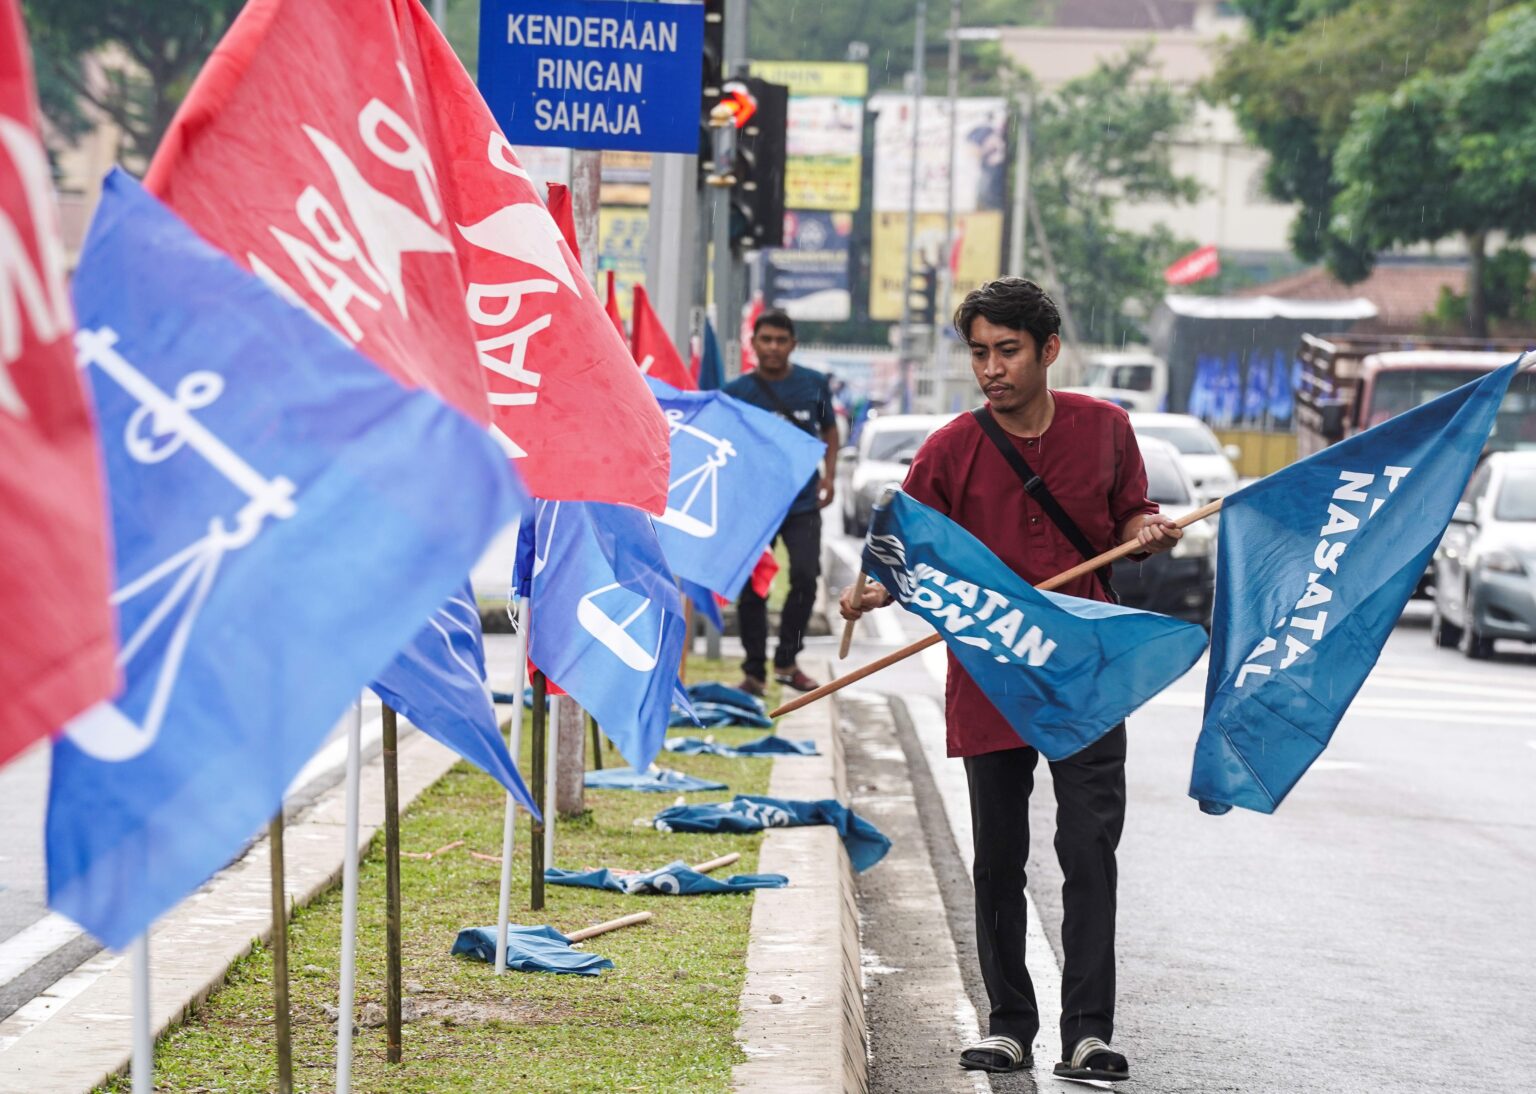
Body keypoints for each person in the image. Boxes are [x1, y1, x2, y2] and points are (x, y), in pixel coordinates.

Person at [838, 278, 1181, 1083]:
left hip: (1084, 676)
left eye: (1007, 351)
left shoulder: (1106, 428)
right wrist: (872, 588)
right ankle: (1009, 1026)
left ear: (1047, 349)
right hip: (990, 676)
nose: (991, 369)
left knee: (1088, 850)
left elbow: (1131, 512)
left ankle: (1090, 1032)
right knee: (997, 857)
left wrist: (1147, 532)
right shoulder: (952, 447)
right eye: (980, 354)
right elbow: (901, 548)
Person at [723, 309, 840, 695]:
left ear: (792, 344)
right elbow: (724, 446)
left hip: (803, 502)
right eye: (765, 339)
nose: (773, 347)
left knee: (806, 577)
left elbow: (829, 430)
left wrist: (830, 475)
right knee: (753, 587)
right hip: (756, 506)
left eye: (780, 340)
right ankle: (754, 671)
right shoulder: (737, 393)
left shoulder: (813, 384)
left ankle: (788, 662)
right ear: (753, 343)